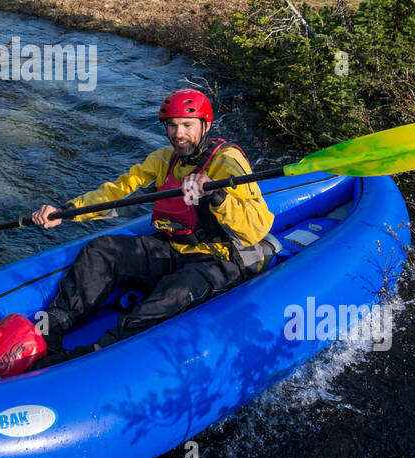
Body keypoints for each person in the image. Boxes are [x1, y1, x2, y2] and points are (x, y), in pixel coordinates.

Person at [29, 88, 280, 366]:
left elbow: (256, 228)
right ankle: (51, 328)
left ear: (205, 126)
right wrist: (66, 212)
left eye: (187, 125)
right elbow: (118, 193)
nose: (179, 134)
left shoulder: (228, 162)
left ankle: (101, 350)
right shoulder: (163, 159)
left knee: (175, 291)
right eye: (172, 126)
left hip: (218, 258)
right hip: (173, 247)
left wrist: (217, 196)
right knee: (102, 249)